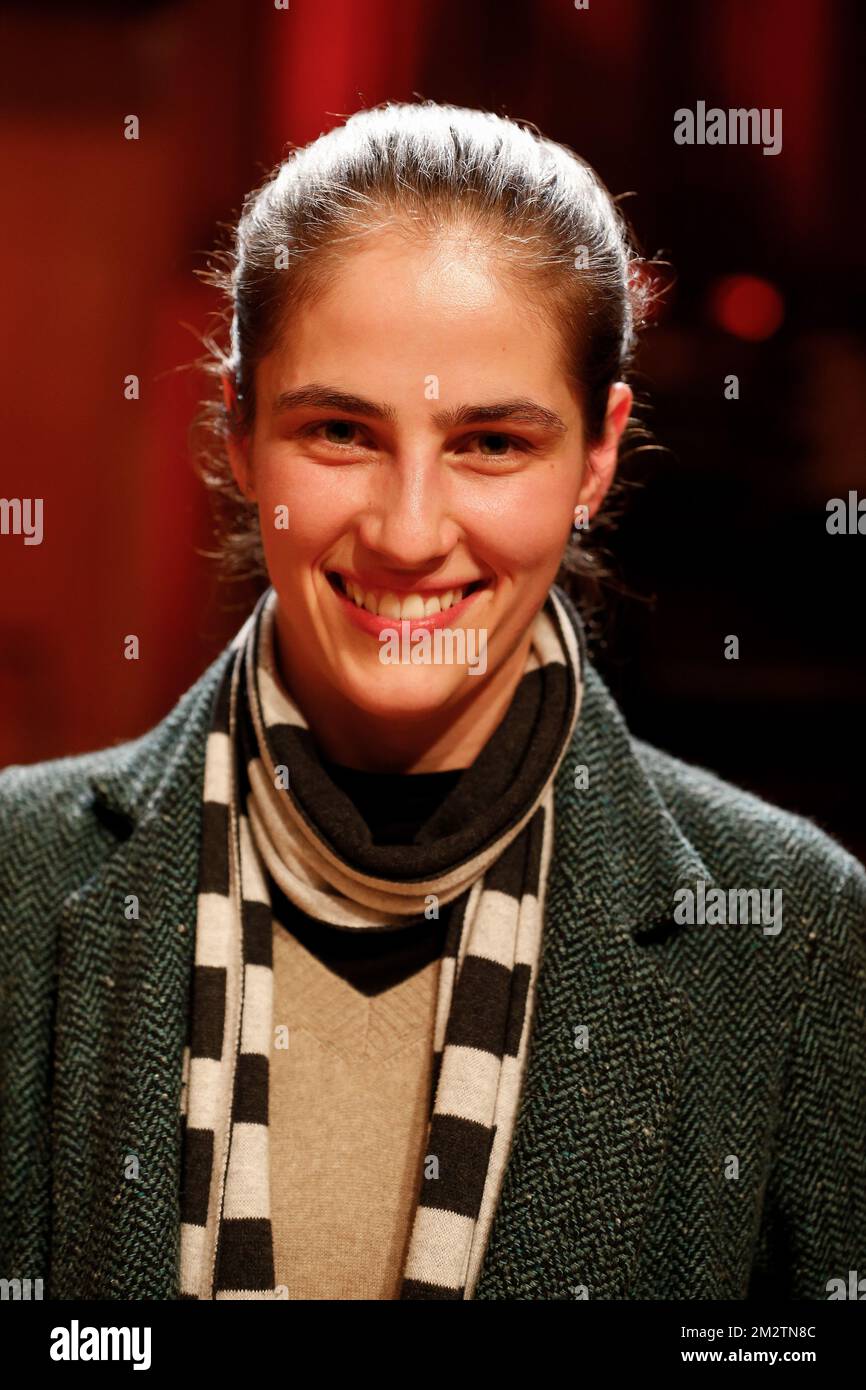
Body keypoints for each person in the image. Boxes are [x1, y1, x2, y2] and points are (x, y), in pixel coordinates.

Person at [1, 100, 864, 1302]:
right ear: (241, 430)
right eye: (341, 430)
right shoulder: (13, 881)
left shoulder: (797, 932)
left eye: (492, 444)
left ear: (598, 456)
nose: (408, 532)